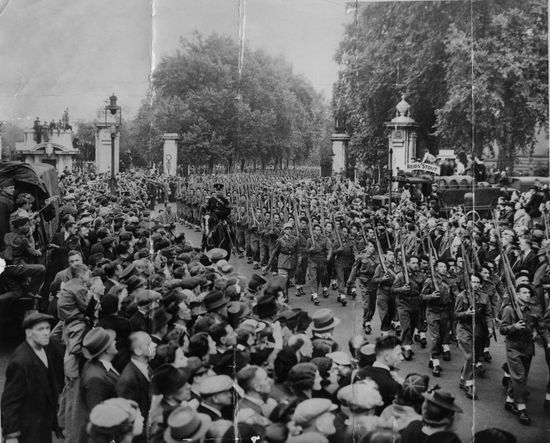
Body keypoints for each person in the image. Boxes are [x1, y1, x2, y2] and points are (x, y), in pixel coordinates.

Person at [1, 313, 64, 443]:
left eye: (47, 328)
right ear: (29, 333)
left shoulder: (45, 349)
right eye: (41, 329)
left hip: (42, 424)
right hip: (27, 430)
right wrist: (11, 436)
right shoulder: (20, 362)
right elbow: (9, 402)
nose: (46, 332)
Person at [500, 283, 550, 426]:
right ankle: (521, 407)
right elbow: (502, 329)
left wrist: (547, 341)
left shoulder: (534, 310)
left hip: (528, 348)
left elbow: (541, 328)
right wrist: (513, 327)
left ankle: (509, 401)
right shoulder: (509, 310)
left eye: (529, 292)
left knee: (521, 377)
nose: (527, 295)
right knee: (519, 376)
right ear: (516, 294)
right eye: (524, 292)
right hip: (513, 347)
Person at [116, 332, 157, 442]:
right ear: (138, 351)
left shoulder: (147, 368)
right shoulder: (128, 379)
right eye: (148, 344)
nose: (154, 345)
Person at [354, 335, 403, 414]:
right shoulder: (393, 384)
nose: (402, 358)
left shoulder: (360, 373)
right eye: (398, 354)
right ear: (386, 356)